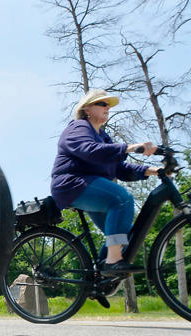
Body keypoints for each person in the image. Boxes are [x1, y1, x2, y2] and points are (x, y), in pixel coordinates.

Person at [50, 89, 162, 275]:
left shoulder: (103, 137)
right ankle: (112, 262)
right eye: (102, 104)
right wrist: (130, 147)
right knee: (121, 197)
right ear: (87, 109)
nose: (107, 107)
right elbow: (90, 150)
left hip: (91, 186)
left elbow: (120, 168)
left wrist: (155, 171)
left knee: (122, 235)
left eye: (108, 105)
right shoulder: (79, 127)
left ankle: (99, 276)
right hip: (71, 184)